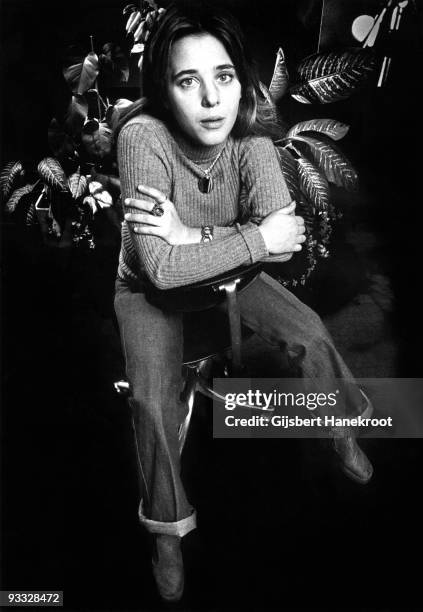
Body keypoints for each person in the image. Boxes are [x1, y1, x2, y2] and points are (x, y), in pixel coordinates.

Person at [114, 1, 373, 602]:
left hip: (229, 273)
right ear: (163, 89)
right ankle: (167, 533)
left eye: (223, 76)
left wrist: (193, 237)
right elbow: (160, 271)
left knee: (308, 331)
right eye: (187, 80)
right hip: (147, 294)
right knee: (152, 403)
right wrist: (241, 240)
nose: (211, 100)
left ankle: (340, 432)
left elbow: (283, 249)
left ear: (241, 80)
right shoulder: (141, 137)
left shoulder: (253, 144)